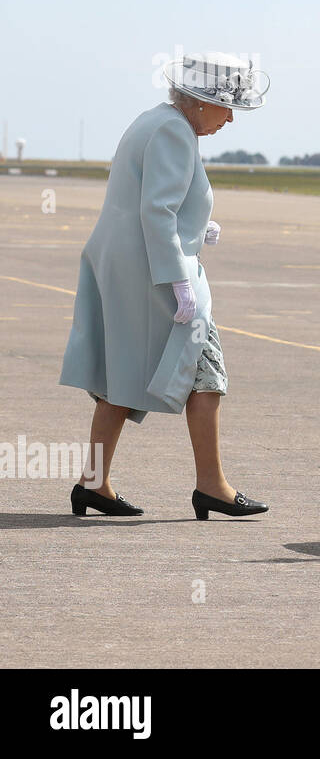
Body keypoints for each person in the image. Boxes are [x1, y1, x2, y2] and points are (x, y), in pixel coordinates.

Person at [60, 53, 271, 521]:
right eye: (226, 105)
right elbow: (156, 210)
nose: (231, 116)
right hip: (152, 270)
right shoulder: (176, 132)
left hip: (124, 264)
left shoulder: (154, 120)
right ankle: (212, 486)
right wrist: (178, 278)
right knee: (205, 368)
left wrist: (198, 227)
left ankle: (93, 483)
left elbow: (154, 202)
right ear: (199, 102)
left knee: (121, 373)